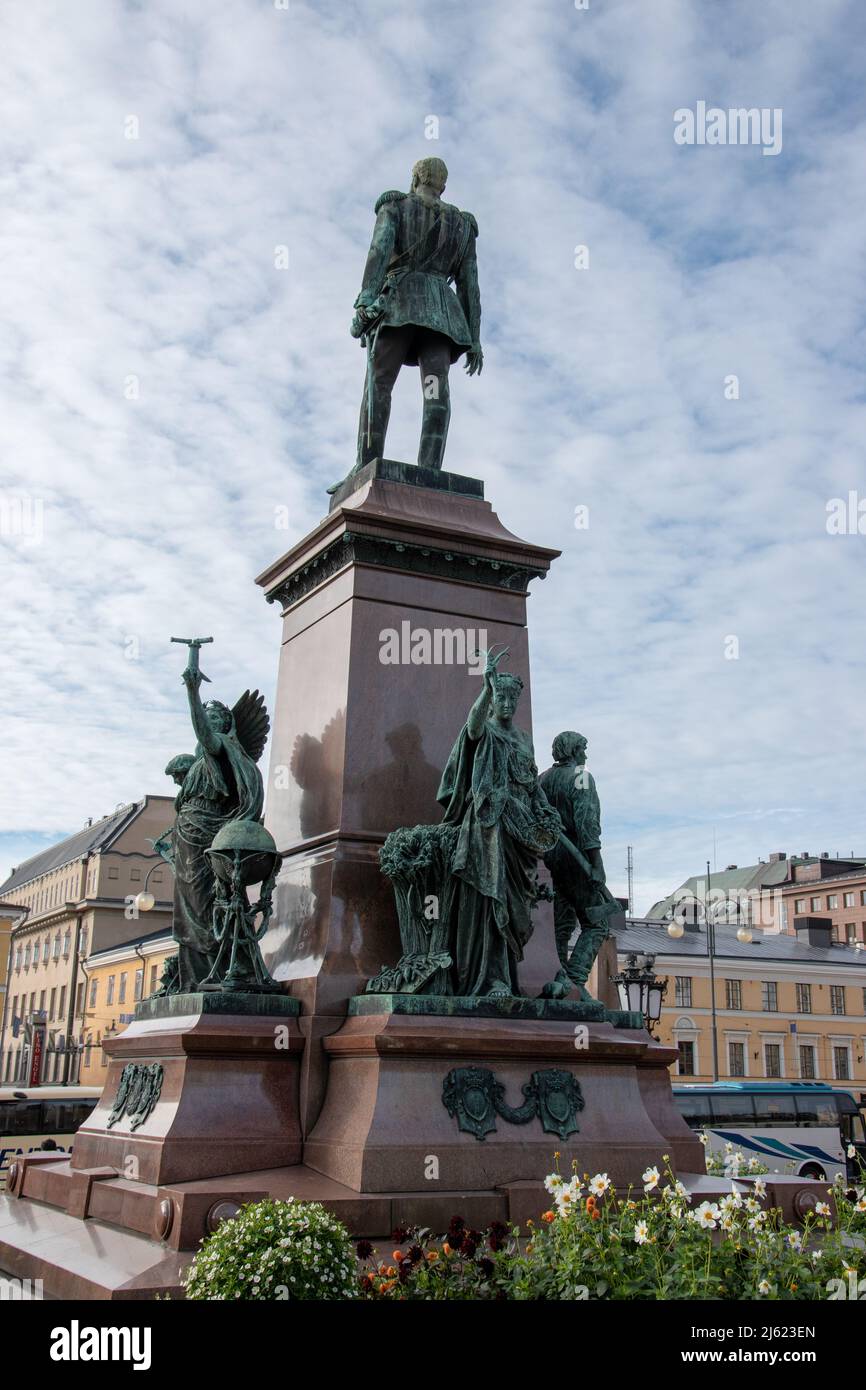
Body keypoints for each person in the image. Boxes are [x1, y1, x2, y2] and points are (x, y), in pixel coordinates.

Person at [337, 156, 482, 487]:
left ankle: (366, 463)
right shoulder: (462, 224)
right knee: (435, 390)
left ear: (415, 176)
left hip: (401, 303)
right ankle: (430, 470)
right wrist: (475, 337)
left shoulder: (395, 206)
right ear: (443, 183)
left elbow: (379, 253)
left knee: (380, 383)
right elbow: (470, 286)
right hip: (442, 315)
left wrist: (366, 301)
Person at [436, 649, 560, 998]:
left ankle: (507, 975)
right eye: (500, 697)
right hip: (488, 828)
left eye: (510, 697)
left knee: (514, 902)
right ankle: (491, 979)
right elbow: (472, 728)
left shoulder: (523, 740)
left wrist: (546, 812)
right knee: (491, 902)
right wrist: (486, 688)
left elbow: (531, 784)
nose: (506, 703)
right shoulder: (485, 727)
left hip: (519, 830)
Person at [539, 731, 618, 1003]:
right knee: (598, 923)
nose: (585, 755)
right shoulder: (581, 776)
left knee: (561, 925)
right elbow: (587, 821)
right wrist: (596, 863)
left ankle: (557, 980)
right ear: (572, 751)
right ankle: (574, 980)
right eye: (583, 749)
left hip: (547, 857)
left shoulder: (542, 780)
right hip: (576, 857)